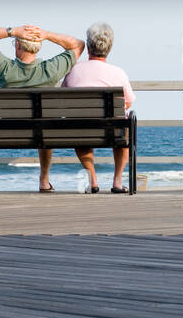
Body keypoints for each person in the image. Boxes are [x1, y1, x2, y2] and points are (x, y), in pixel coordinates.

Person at [0, 24, 84, 191]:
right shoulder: (51, 70)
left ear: (18, 45)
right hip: (43, 132)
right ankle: (44, 180)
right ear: (37, 47)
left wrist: (13, 31)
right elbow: (78, 45)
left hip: (11, 131)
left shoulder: (5, 69)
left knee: (43, 125)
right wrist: (46, 34)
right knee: (45, 127)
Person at [47, 21, 135, 193]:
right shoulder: (118, 72)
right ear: (109, 48)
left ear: (88, 47)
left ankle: (93, 180)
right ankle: (117, 182)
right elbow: (128, 102)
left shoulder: (73, 70)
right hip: (111, 130)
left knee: (80, 130)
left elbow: (64, 100)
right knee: (123, 130)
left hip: (82, 128)